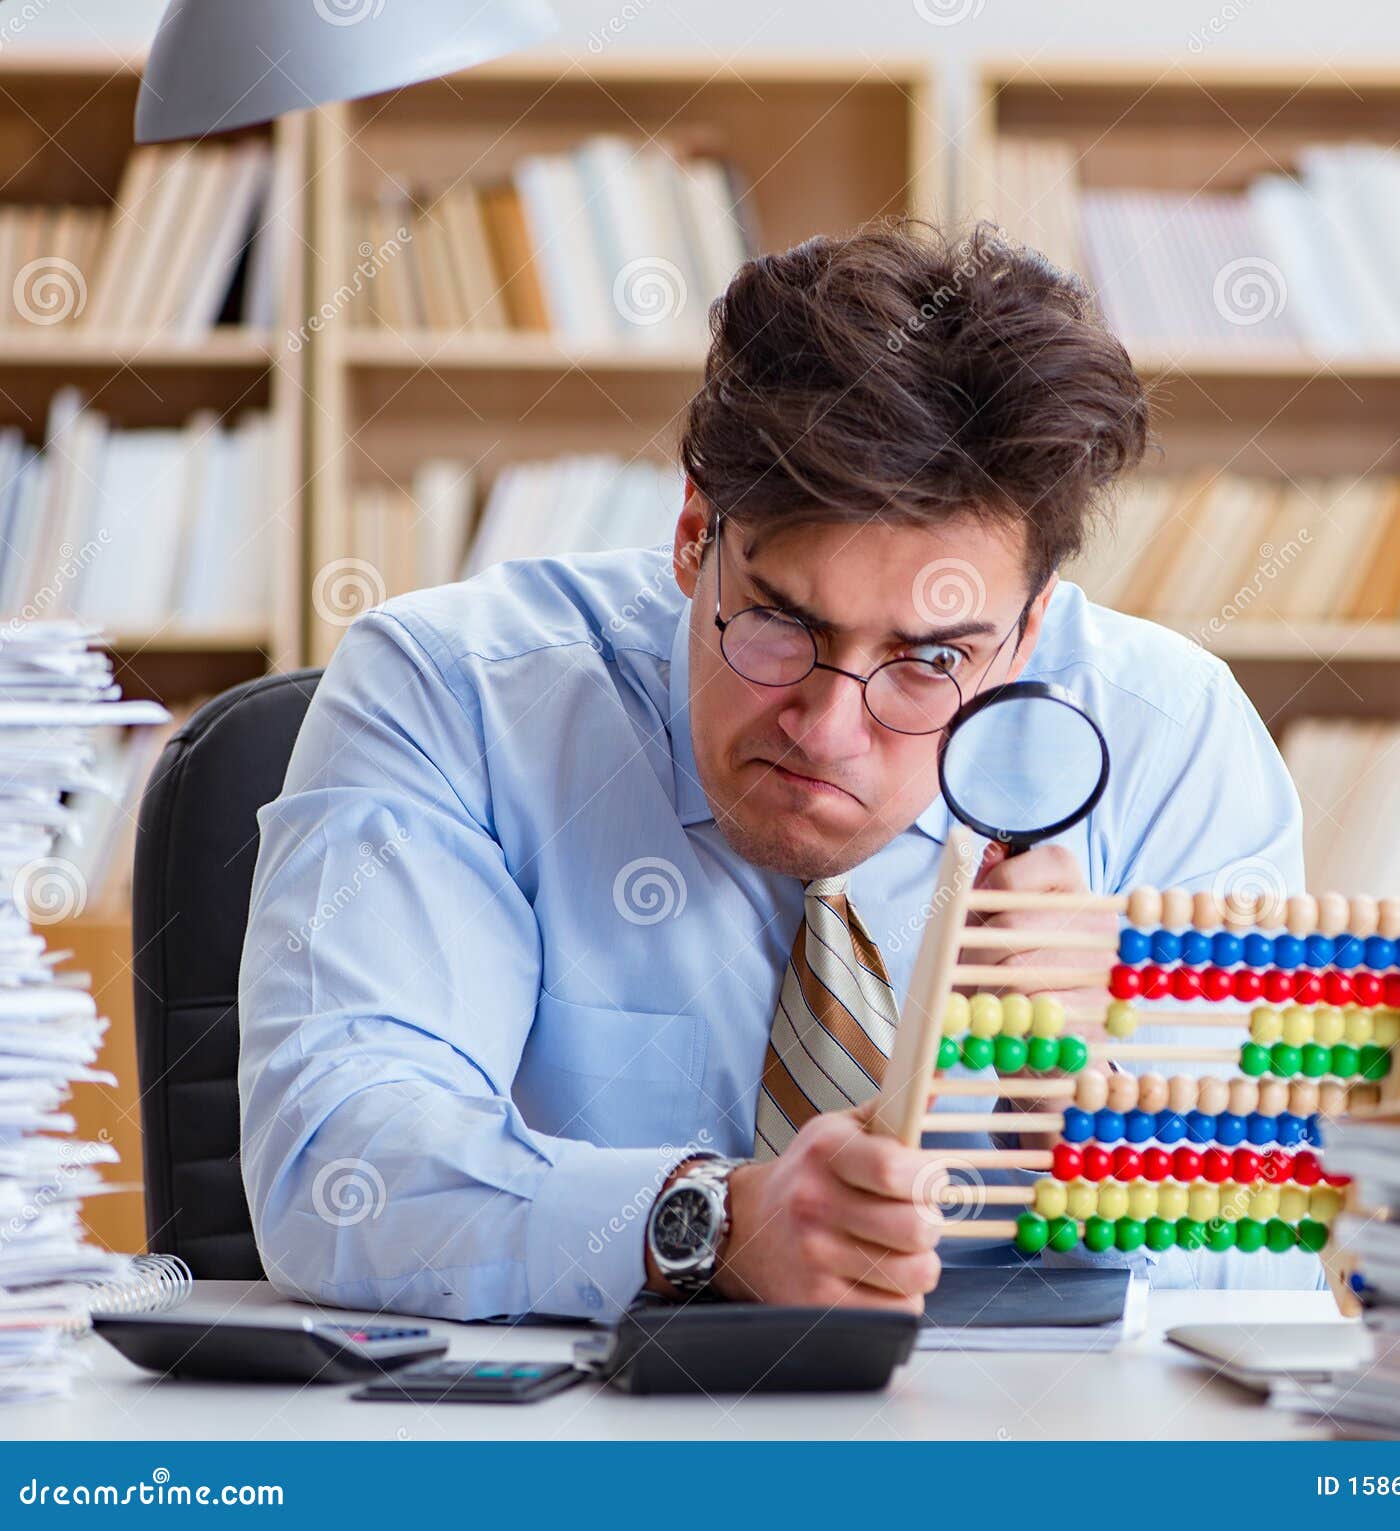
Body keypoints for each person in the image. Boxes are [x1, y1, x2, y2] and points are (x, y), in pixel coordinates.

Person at [237, 220, 1306, 1322]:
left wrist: (1090, 1117)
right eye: (782, 626)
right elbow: (335, 1163)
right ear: (695, 533)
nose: (830, 729)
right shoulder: (456, 691)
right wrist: (710, 1223)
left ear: (1026, 636)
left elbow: (1268, 1277)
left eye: (929, 659)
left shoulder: (1167, 737)